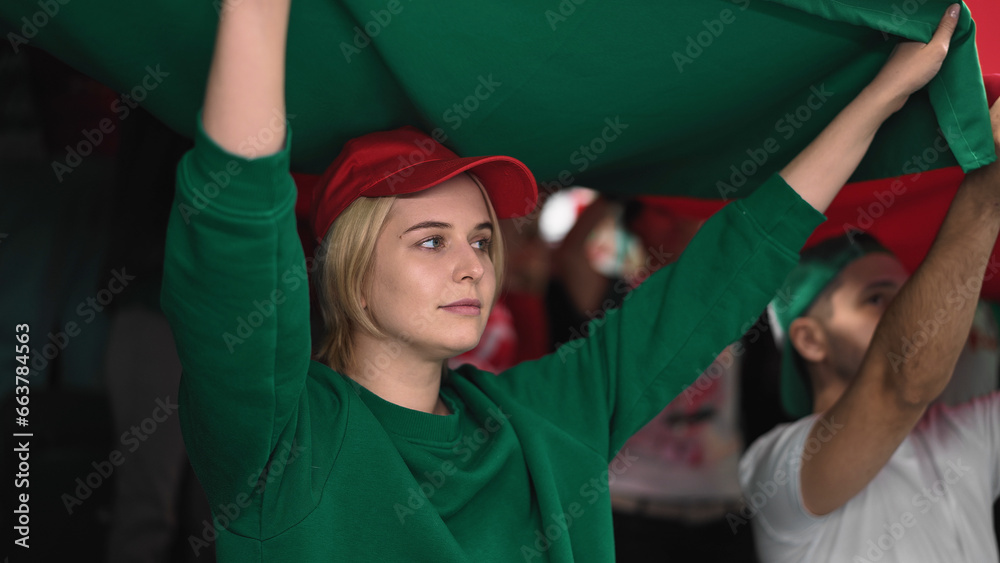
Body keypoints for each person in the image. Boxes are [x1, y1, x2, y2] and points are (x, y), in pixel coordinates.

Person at [159, 0, 963, 560]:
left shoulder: (542, 419)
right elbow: (235, 223)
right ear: (351, 277)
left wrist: (882, 97)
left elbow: (727, 268)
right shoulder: (283, 437)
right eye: (431, 240)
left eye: (481, 239)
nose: (473, 263)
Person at [738, 95, 1000, 562]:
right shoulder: (775, 465)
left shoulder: (966, 430)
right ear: (809, 340)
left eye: (909, 295)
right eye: (877, 299)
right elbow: (902, 381)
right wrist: (987, 193)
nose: (907, 314)